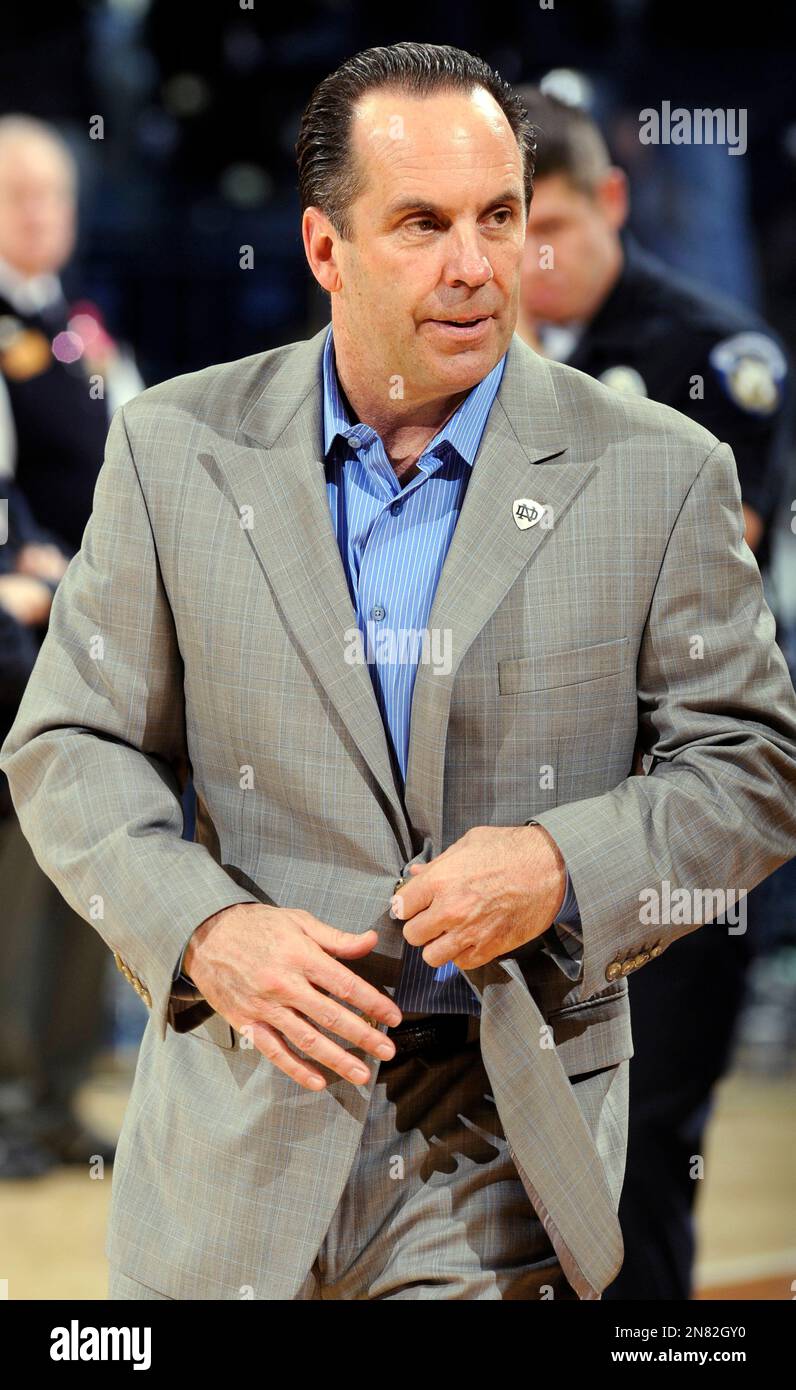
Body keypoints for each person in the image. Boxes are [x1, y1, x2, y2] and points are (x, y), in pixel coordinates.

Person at [1, 41, 795, 1301]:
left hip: (498, 1140)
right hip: (231, 1120)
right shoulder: (171, 447)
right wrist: (205, 928)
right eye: (421, 224)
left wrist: (557, 865)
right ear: (324, 251)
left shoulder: (660, 468)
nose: (476, 266)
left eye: (498, 218)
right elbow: (73, 744)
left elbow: (752, 765)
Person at [515, 86, 794, 1300]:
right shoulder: (467, 356)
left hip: (669, 828)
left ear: (612, 201)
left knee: (641, 1165)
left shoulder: (707, 356)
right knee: (513, 1171)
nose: (525, 262)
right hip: (520, 827)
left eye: (551, 227)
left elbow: (673, 591)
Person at [0, 114, 143, 1178]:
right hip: (19, 644)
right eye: (17, 195)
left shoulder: (78, 321)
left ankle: (52, 1091)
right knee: (16, 877)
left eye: (53, 194)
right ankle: (12, 1099)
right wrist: (31, 564)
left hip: (95, 643)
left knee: (78, 871)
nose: (41, 214)